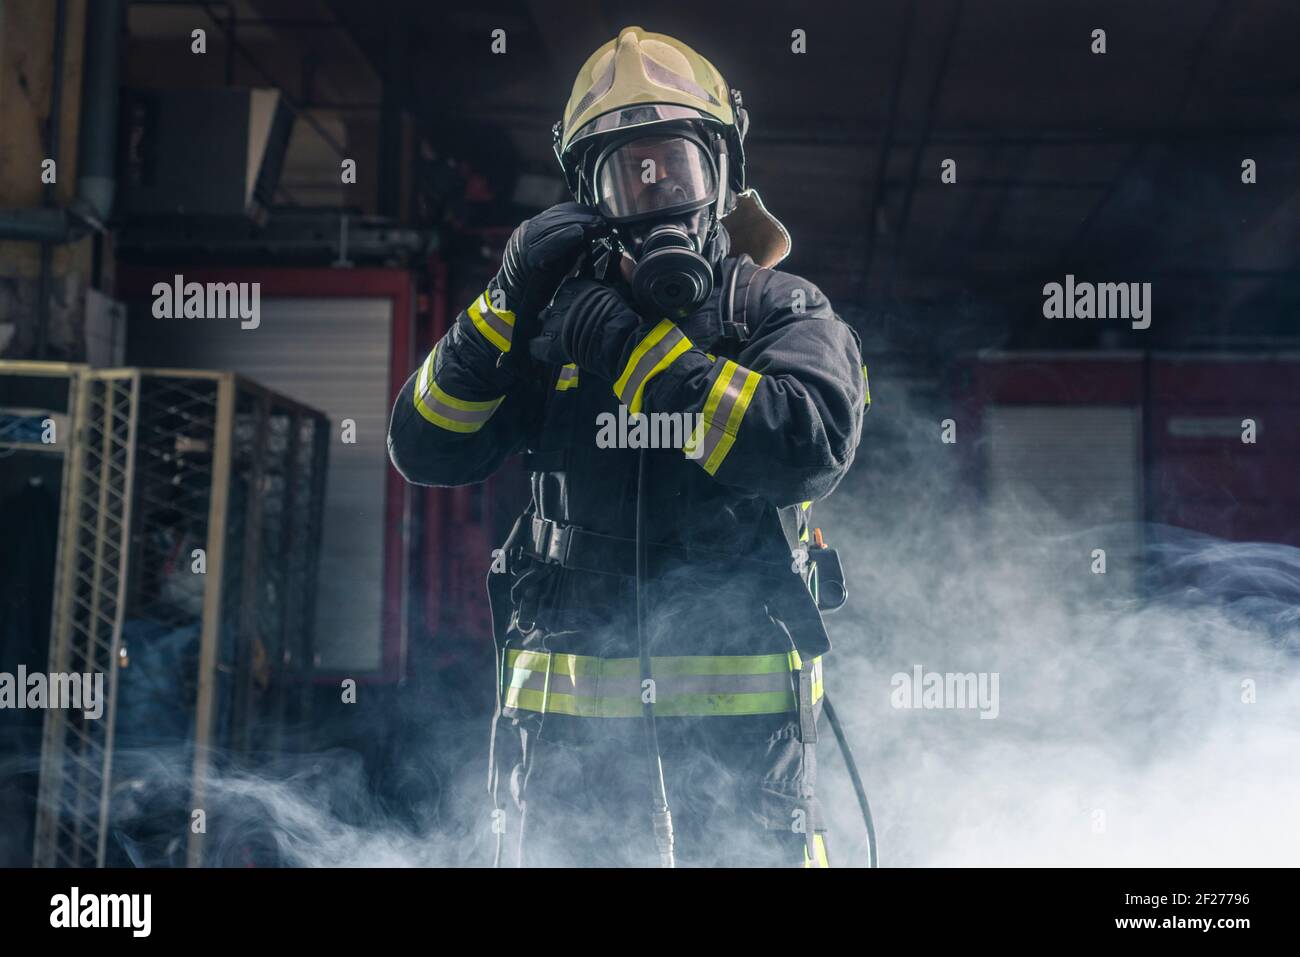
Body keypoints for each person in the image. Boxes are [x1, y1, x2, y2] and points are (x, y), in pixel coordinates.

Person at [388, 25, 867, 867]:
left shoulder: (779, 311)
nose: (656, 193)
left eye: (675, 166)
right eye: (627, 175)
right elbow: (427, 447)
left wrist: (634, 353)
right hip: (572, 768)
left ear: (724, 176)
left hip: (743, 765)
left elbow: (808, 443)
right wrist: (503, 306)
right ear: (586, 197)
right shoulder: (546, 327)